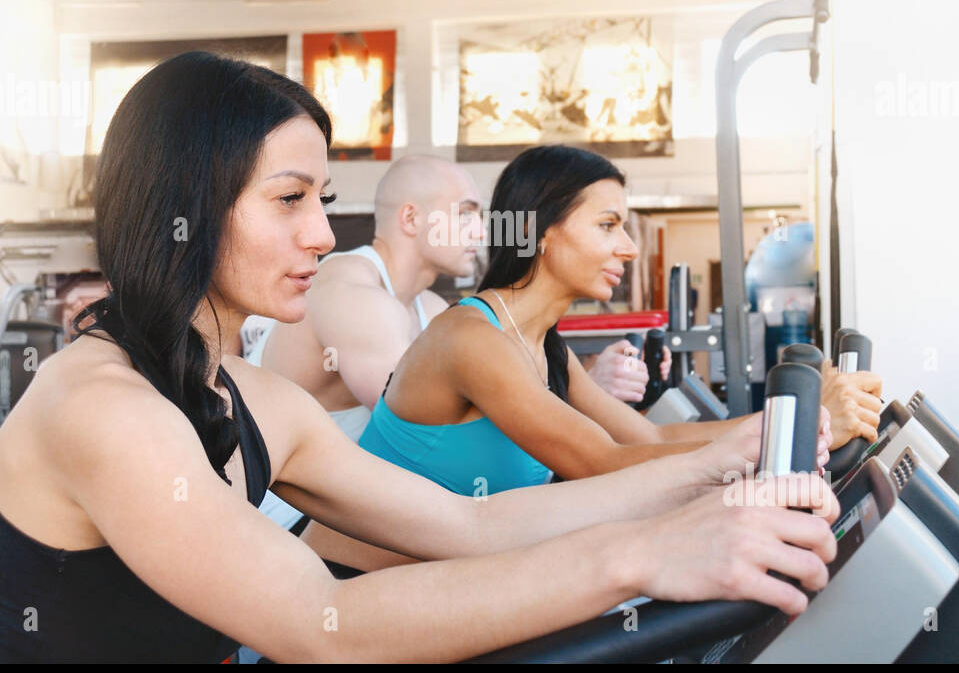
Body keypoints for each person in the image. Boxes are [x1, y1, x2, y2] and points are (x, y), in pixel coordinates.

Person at [0, 52, 838, 663]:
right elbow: (331, 627)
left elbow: (472, 527)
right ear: (183, 208)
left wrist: (725, 466)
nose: (322, 232)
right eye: (289, 199)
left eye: (324, 197)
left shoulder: (258, 399)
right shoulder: (105, 406)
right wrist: (642, 556)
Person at [303, 145, 867, 571]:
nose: (628, 246)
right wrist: (798, 430)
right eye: (608, 226)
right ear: (537, 233)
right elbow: (601, 464)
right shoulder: (470, 339)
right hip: (348, 593)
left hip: (445, 588)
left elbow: (646, 443)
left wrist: (801, 420)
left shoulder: (546, 349)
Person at [248, 154, 674, 530]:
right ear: (412, 220)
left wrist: (582, 387)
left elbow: (475, 414)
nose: (482, 229)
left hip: (370, 513)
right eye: (465, 214)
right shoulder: (355, 296)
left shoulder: (430, 307)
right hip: (290, 526)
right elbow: (413, 431)